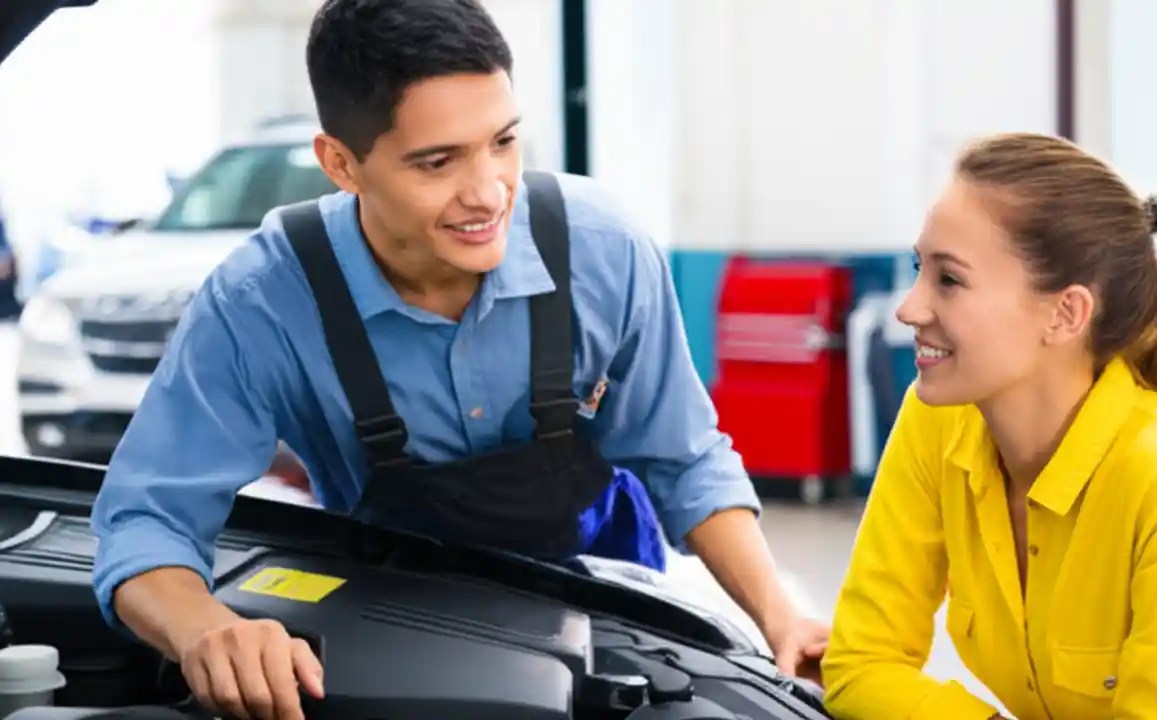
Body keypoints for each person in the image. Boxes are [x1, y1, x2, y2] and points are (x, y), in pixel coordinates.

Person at [88, 1, 829, 718]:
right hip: (396, 619)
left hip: (599, 598)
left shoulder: (604, 252)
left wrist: (779, 615)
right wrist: (203, 629)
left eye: (503, 142)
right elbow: (145, 519)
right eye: (437, 162)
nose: (487, 193)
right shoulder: (263, 303)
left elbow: (685, 459)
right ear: (341, 163)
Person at [821, 132, 1157, 719]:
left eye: (949, 280)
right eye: (919, 268)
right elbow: (857, 664)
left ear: (1065, 314)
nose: (909, 308)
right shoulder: (937, 422)